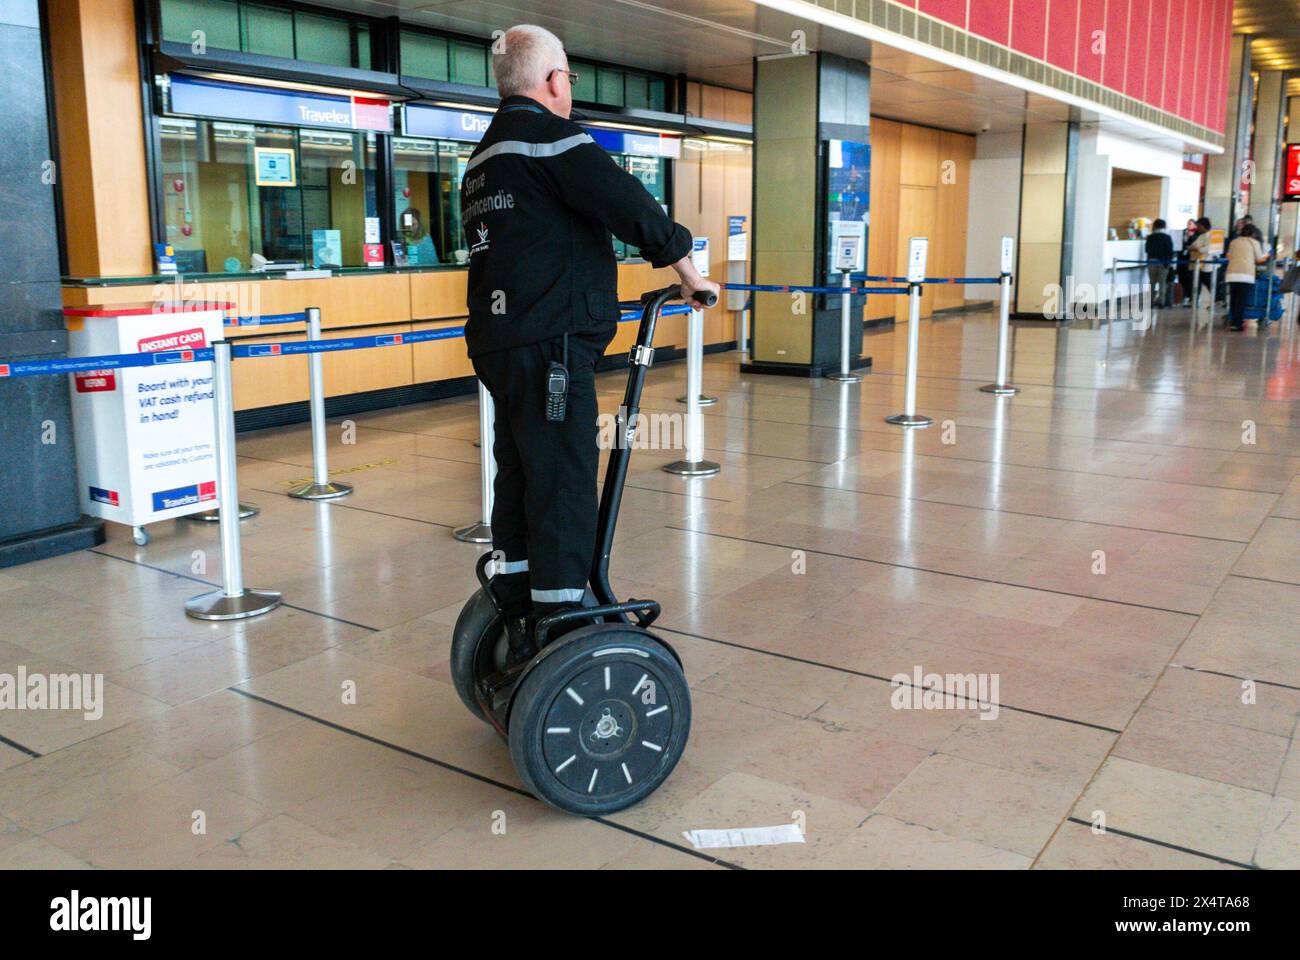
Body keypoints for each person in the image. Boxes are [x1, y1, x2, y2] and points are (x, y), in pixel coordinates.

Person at [461, 24, 719, 661]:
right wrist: (690, 274)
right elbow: (628, 203)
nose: (568, 89)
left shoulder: (484, 157)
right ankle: (562, 620)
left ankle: (517, 595)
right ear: (553, 81)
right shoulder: (552, 138)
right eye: (568, 78)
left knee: (520, 469)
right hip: (550, 344)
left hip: (499, 344)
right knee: (563, 475)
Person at [1224, 223, 1268, 330]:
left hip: (1232, 274)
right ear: (1253, 233)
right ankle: (1237, 324)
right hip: (1245, 275)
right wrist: (1266, 256)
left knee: (1233, 300)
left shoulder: (1234, 242)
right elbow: (1258, 259)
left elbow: (1228, 256)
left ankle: (1234, 322)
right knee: (1241, 300)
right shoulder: (1254, 243)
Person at [1144, 218, 1174, 307]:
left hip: (1152, 261)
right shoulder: (1167, 237)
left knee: (1152, 282)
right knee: (1162, 282)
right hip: (1164, 262)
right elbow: (1169, 251)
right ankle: (1161, 301)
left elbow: (1147, 249)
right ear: (1164, 226)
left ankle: (1150, 301)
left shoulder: (1150, 237)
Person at [1188, 216, 1215, 306]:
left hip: (1207, 265)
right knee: (1197, 283)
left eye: (1199, 226)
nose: (1197, 228)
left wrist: (1198, 249)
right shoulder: (1201, 236)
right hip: (1198, 264)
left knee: (1209, 284)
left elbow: (1209, 248)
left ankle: (1217, 299)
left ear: (1203, 226)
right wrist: (1195, 248)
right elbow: (1193, 246)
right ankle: (1195, 301)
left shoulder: (1212, 236)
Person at [1177, 218, 1199, 305]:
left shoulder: (1197, 235)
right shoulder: (1183, 233)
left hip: (1191, 259)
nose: (1188, 225)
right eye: (1188, 223)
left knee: (1189, 279)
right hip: (1182, 259)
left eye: (1190, 223)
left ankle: (1191, 297)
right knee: (1181, 277)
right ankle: (1184, 296)